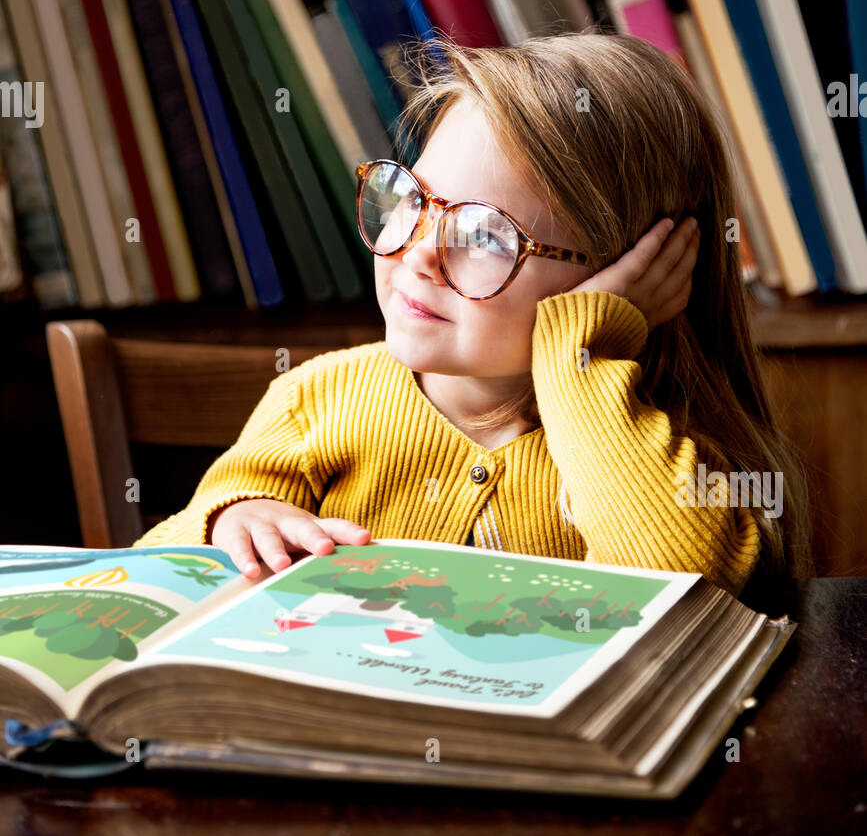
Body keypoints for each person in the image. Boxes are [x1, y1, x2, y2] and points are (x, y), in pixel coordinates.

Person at [134, 30, 812, 598]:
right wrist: (233, 520)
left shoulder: (663, 438)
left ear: (631, 273)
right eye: (413, 199)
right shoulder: (315, 399)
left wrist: (579, 350)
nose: (418, 254)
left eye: (486, 236)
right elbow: (160, 568)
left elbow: (689, 582)